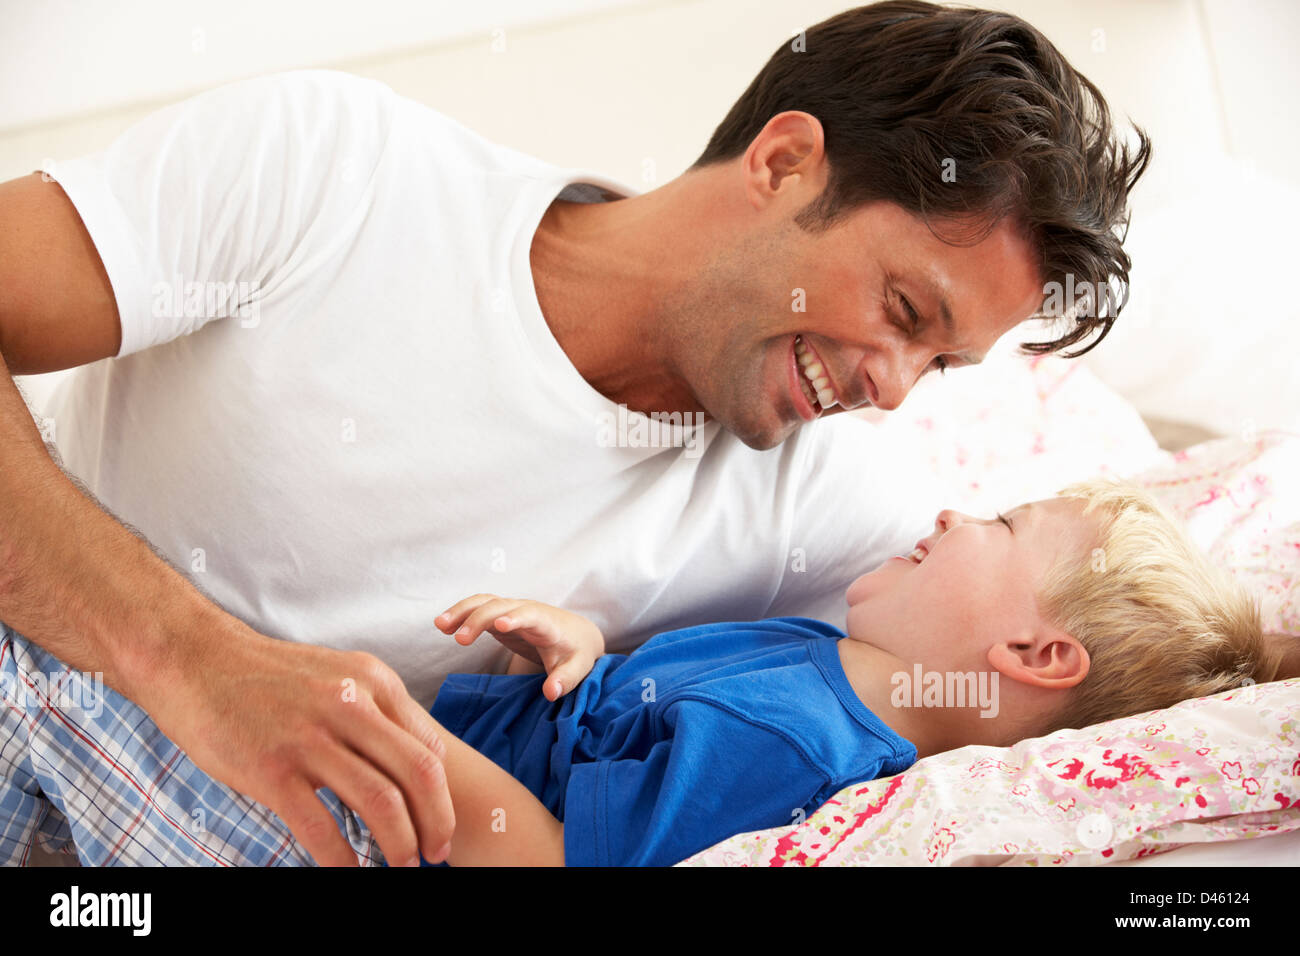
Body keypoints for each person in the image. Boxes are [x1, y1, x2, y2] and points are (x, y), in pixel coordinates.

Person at [0, 2, 1151, 866]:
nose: (895, 390)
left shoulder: (828, 504)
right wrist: (188, 659)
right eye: (905, 313)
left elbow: (1090, 651)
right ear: (784, 163)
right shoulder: (336, 170)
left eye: (940, 366)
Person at [1, 479, 1279, 865]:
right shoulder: (819, 654)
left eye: (997, 531)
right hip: (382, 796)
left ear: (1035, 655)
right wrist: (574, 654)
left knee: (46, 662)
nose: (952, 515)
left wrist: (361, 699)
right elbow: (614, 727)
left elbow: (553, 861)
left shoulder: (811, 749)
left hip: (361, 831)